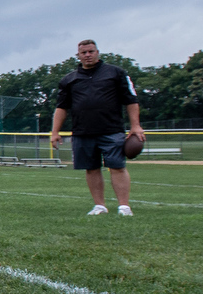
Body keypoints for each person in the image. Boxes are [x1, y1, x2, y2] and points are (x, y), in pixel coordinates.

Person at [50, 39, 146, 216]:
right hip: (83, 132)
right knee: (91, 168)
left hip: (111, 130)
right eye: (84, 52)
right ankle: (99, 206)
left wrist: (136, 126)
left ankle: (124, 206)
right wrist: (55, 132)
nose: (88, 55)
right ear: (78, 55)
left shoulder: (115, 73)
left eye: (91, 51)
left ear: (97, 52)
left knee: (117, 167)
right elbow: (61, 107)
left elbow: (131, 100)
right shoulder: (69, 80)